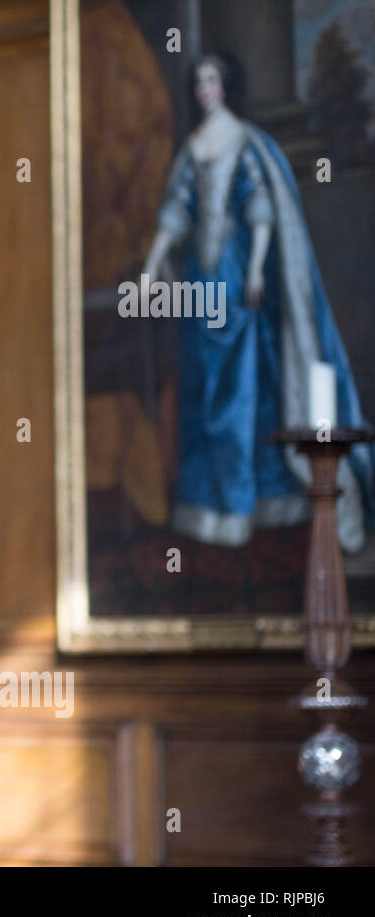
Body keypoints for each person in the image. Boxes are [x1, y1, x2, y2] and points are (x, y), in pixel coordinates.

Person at [142, 52, 375, 553]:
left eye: (212, 78)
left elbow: (261, 209)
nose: (205, 88)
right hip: (202, 286)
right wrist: (150, 268)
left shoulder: (244, 143)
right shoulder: (193, 148)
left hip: (233, 276)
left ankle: (253, 499)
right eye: (198, 80)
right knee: (204, 390)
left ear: (226, 85)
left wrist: (253, 270)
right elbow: (176, 212)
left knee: (242, 390)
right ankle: (213, 507)